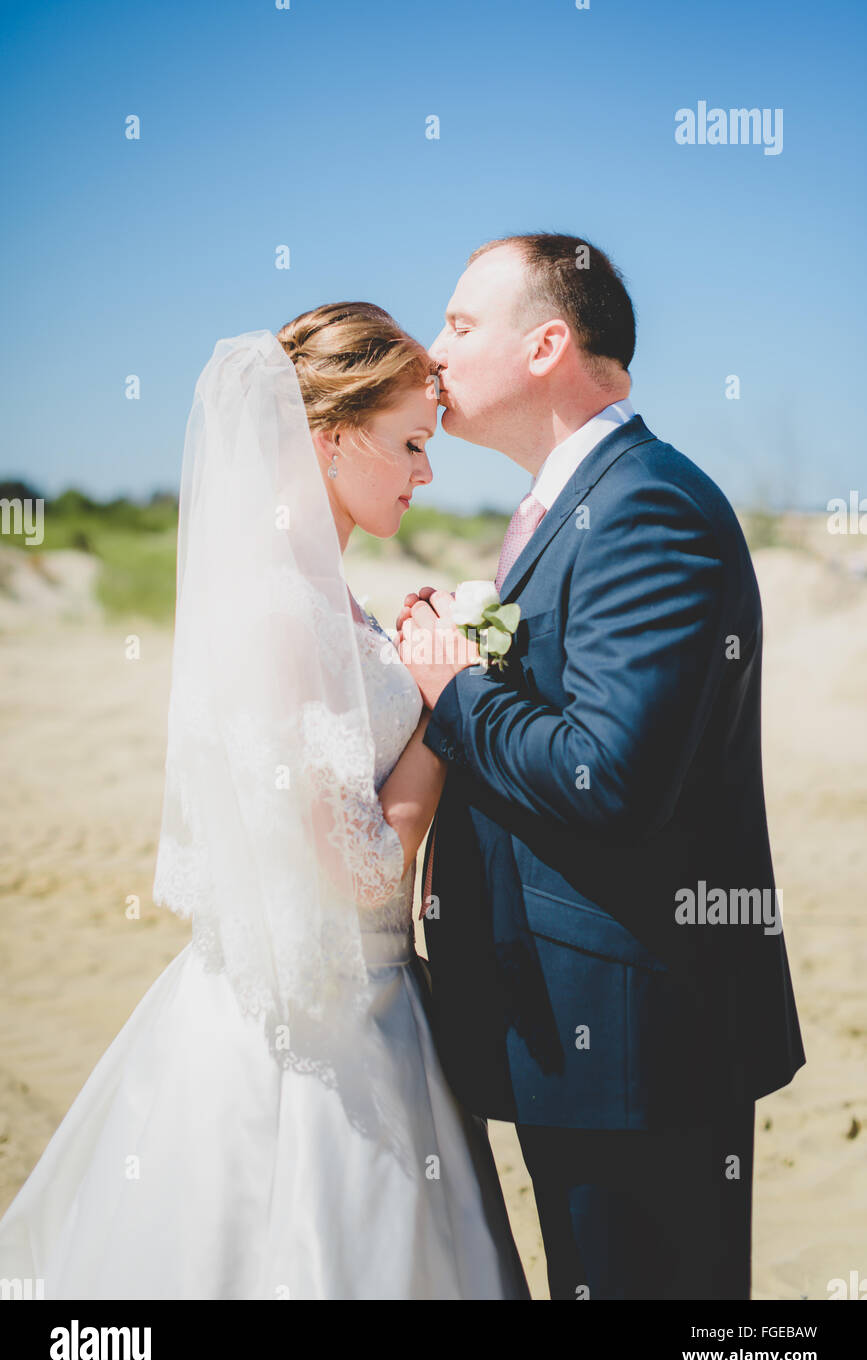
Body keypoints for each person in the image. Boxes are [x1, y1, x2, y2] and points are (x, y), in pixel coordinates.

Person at [0, 304, 529, 1300]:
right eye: (411, 444)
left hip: (381, 999)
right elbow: (361, 864)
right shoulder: (278, 608)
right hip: (319, 1031)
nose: (426, 472)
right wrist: (440, 713)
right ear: (330, 438)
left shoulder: (329, 591)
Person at [397, 234, 806, 1300]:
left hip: (635, 1041)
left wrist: (455, 686)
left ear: (546, 347)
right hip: (576, 1033)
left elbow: (608, 774)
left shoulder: (645, 507)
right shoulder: (572, 505)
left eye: (460, 324)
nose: (433, 350)